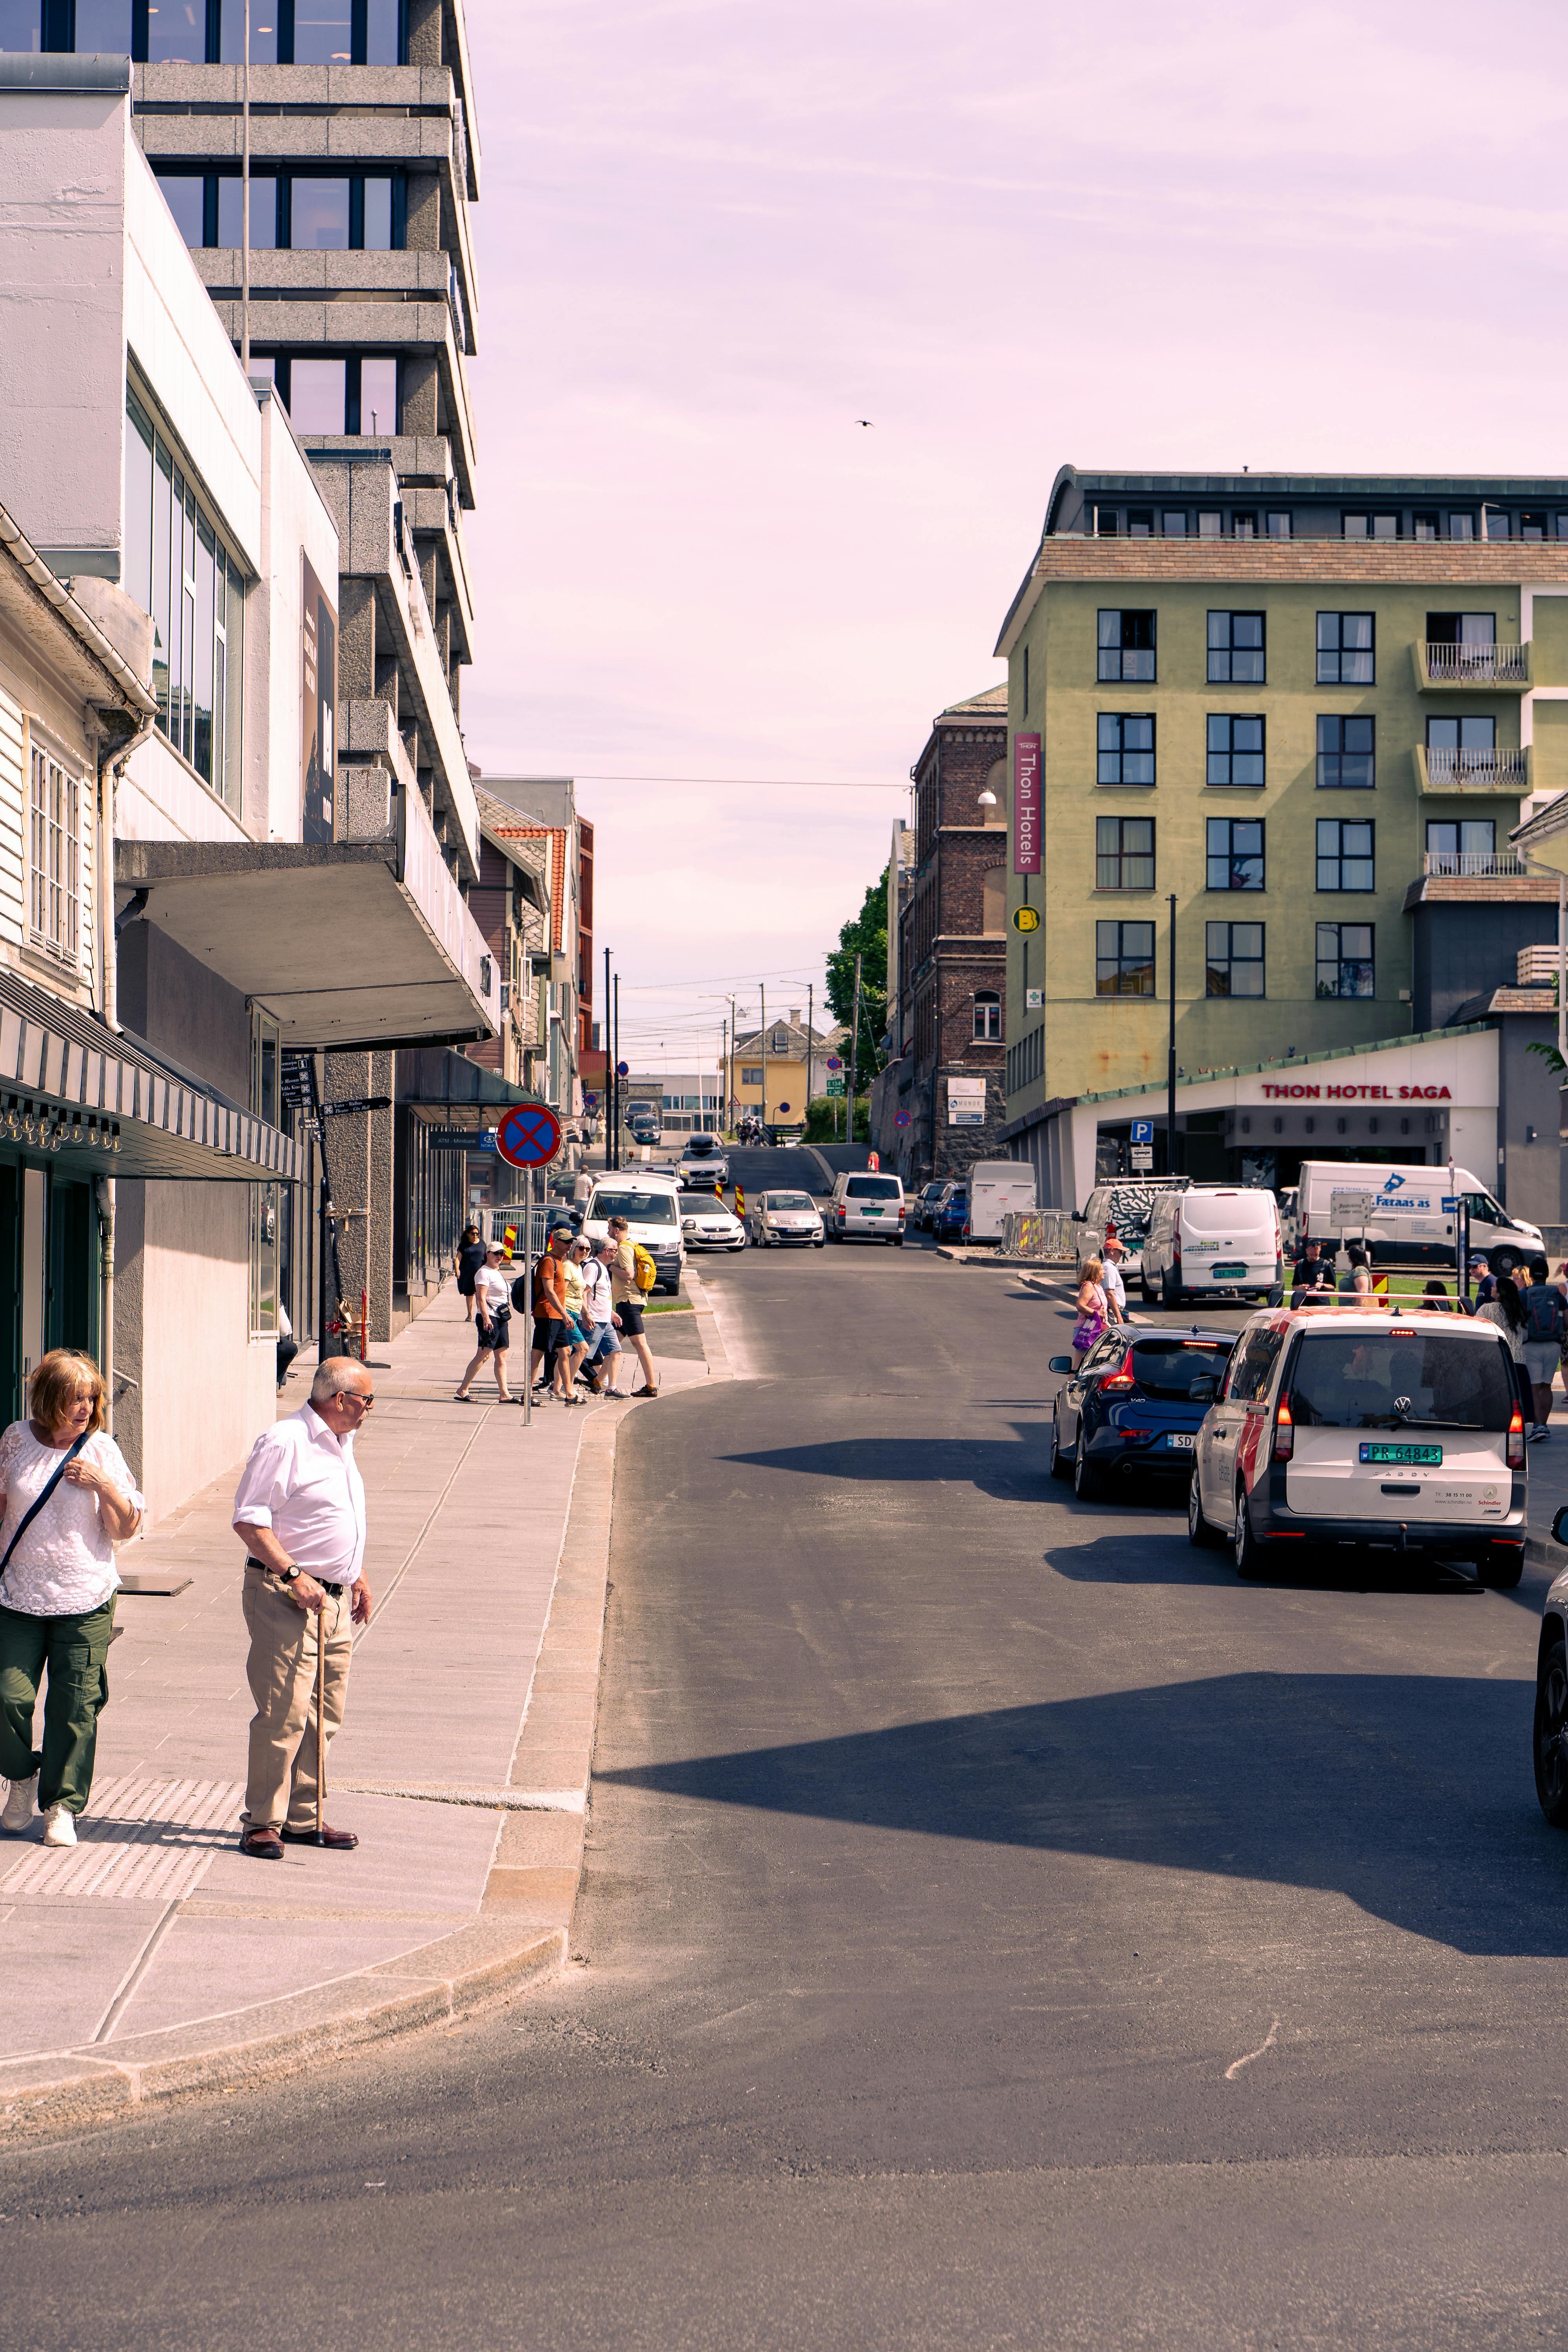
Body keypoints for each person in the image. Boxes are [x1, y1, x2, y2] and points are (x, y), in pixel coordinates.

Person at [232, 1357, 375, 1860]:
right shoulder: (285, 1441)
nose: (369, 1410)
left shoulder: (341, 1441)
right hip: (285, 1594)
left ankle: (304, 1816)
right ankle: (262, 1822)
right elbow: (249, 1520)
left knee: (324, 1714)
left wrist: (355, 1573)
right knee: (284, 1713)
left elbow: (331, 1516)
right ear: (340, 1399)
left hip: (331, 1598)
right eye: (367, 1401)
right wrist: (295, 1575)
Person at [0, 1352, 143, 1849]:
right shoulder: (15, 1439)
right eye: (74, 1398)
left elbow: (125, 1529)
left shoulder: (102, 1449)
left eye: (91, 1398)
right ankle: (21, 1775)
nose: (85, 1408)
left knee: (75, 1705)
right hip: (17, 1595)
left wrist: (103, 1485)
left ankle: (61, 1805)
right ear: (47, 1399)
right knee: (7, 1697)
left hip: (85, 1599)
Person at [454, 1242, 515, 1402]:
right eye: (496, 1253)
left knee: (502, 1355)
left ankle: (504, 1394)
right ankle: (463, 1389)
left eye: (502, 1254)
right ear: (488, 1254)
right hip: (489, 1318)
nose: (499, 1257)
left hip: (501, 1318)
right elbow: (481, 1298)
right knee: (484, 1354)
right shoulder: (483, 1273)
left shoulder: (497, 1272)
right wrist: (486, 1318)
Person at [608, 1214, 659, 1397]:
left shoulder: (623, 1247)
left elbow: (629, 1274)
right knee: (613, 1342)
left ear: (617, 1230)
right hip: (630, 1301)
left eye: (609, 1229)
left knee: (640, 1343)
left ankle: (651, 1386)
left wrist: (610, 1267)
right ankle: (597, 1381)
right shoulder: (632, 1244)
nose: (608, 1232)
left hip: (629, 1301)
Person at [530, 1229, 581, 1404]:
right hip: (547, 1314)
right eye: (566, 1242)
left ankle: (570, 1394)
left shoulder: (560, 1261)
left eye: (571, 1242)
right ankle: (528, 1393)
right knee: (538, 1353)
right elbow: (549, 1291)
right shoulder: (549, 1261)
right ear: (556, 1242)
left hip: (557, 1316)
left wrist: (562, 1314)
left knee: (565, 1351)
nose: (570, 1245)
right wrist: (565, 1313)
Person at [1518, 1256, 1563, 1439]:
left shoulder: (1525, 1294)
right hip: (1553, 1344)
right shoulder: (1556, 1294)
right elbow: (1567, 1319)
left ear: (1531, 1275)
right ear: (1546, 1274)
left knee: (1534, 1386)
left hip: (1531, 1345)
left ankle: (1537, 1426)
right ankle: (1544, 1425)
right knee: (1547, 1386)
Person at [581, 1238, 627, 1396]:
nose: (617, 1254)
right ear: (607, 1251)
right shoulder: (593, 1267)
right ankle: (559, 1383)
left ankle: (607, 1387)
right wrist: (586, 1314)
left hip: (605, 1321)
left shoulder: (603, 1268)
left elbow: (601, 1296)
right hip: (594, 1320)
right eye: (615, 1250)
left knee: (615, 1351)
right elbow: (584, 1293)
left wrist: (612, 1314)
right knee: (580, 1354)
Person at [1476, 1273, 1528, 1379]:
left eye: (1494, 1286)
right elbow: (1525, 1336)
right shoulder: (1519, 1311)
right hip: (1518, 1362)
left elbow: (1477, 1331)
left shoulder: (1486, 1309)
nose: (1492, 1288)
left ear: (1500, 1293)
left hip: (1496, 1360)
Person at [1073, 1258, 1109, 1370]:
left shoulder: (1098, 1287)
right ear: (1094, 1272)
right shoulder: (1089, 1286)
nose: (1105, 1272)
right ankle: (1073, 1381)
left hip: (1097, 1329)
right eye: (1102, 1270)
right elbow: (1080, 1306)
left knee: (1095, 1365)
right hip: (1086, 1329)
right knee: (1079, 1365)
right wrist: (1096, 1313)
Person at [454, 1224, 486, 1323]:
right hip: (467, 1274)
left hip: (480, 1274)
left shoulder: (482, 1244)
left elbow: (486, 1257)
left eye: (477, 1234)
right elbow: (458, 1258)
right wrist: (457, 1269)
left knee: (479, 1295)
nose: (475, 1236)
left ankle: (480, 1314)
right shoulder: (464, 1244)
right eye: (473, 1234)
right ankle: (470, 1315)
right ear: (468, 1234)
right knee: (469, 1295)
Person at [1291, 1236, 1333, 1306]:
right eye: (1311, 1255)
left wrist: (1322, 1285)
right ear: (1307, 1251)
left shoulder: (1326, 1265)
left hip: (1322, 1304)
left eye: (1316, 1255)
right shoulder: (1300, 1265)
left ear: (1320, 1250)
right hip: (1304, 1303)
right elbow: (1294, 1287)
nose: (1314, 1257)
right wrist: (1301, 1288)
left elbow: (1333, 1288)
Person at [1099, 1235, 1128, 1322]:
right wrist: (1119, 1316)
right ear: (1112, 1251)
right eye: (1120, 1252)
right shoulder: (1109, 1268)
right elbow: (1109, 1293)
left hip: (1113, 1310)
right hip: (1112, 1312)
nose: (1122, 1255)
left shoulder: (1110, 1267)